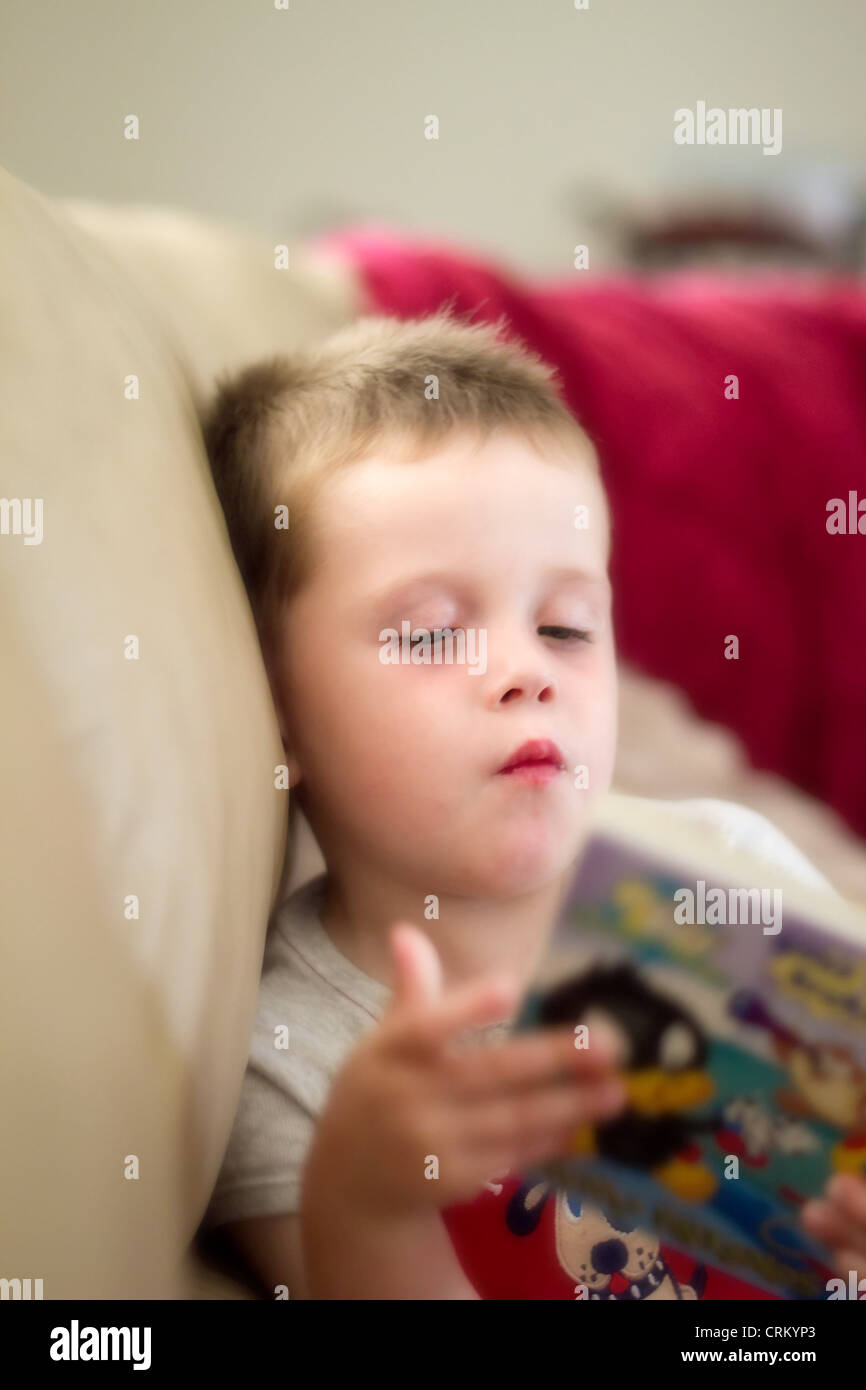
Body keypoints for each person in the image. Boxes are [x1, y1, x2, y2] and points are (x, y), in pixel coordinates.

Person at [199, 307, 866, 1299]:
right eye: (429, 632)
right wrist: (367, 1205)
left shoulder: (727, 871)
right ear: (276, 714)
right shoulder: (294, 1062)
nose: (524, 671)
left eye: (562, 626)